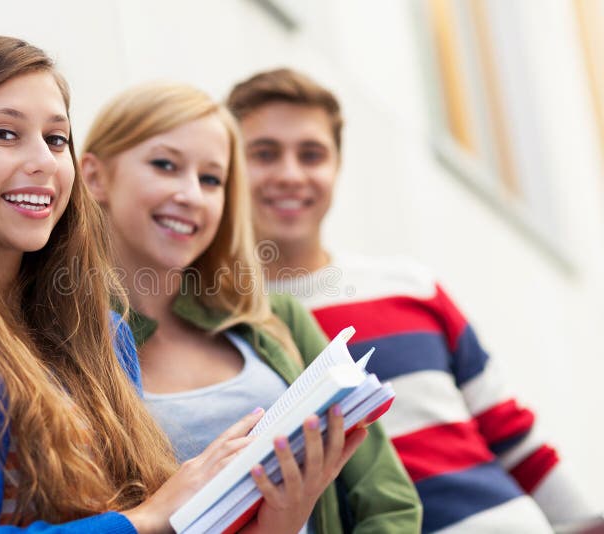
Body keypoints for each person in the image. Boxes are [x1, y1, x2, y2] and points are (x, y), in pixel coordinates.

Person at [0, 35, 267, 533]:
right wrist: (148, 518)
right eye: (4, 133)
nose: (43, 160)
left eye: (56, 138)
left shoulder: (106, 335)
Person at [227, 67, 598, 533]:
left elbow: (511, 434)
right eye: (264, 153)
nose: (290, 174)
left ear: (336, 167)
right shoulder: (226, 331)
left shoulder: (411, 285)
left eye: (312, 154)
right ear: (229, 169)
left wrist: (587, 522)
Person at [80, 81, 422, 533]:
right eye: (165, 165)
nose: (191, 195)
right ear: (94, 176)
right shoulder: (66, 339)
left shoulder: (274, 315)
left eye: (211, 179)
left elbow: (389, 503)